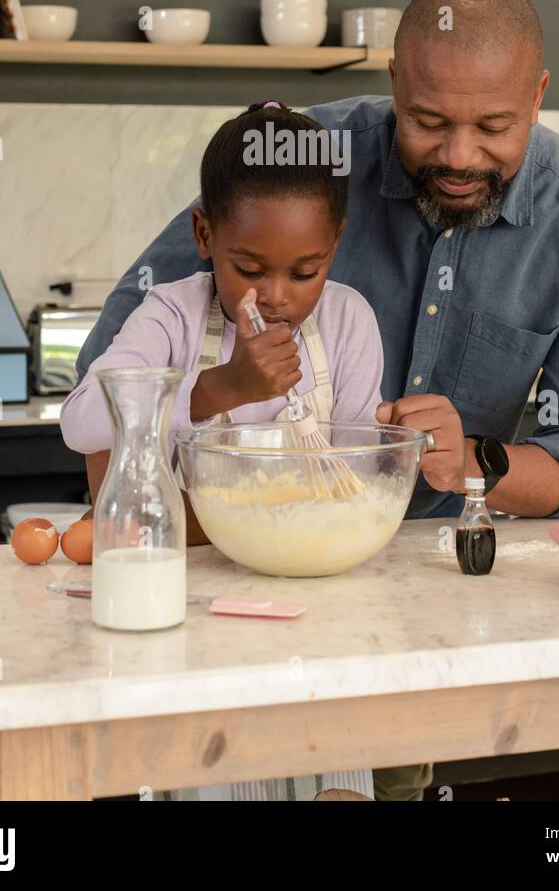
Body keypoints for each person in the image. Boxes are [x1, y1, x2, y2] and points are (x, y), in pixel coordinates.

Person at [75, 0, 559, 799]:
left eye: (493, 126)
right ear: (391, 84)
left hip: (402, 604)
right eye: (426, 122)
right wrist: (161, 532)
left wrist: (477, 463)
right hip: (218, 586)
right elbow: (114, 386)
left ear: (538, 94)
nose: (457, 155)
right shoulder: (293, 163)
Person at [62, 99, 388, 800]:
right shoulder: (172, 316)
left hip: (315, 600)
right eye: (249, 268)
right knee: (222, 773)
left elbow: (355, 483)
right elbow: (83, 423)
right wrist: (221, 386)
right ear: (204, 235)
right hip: (194, 604)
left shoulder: (349, 324)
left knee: (338, 765)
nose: (276, 297)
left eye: (305, 273)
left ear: (334, 244)